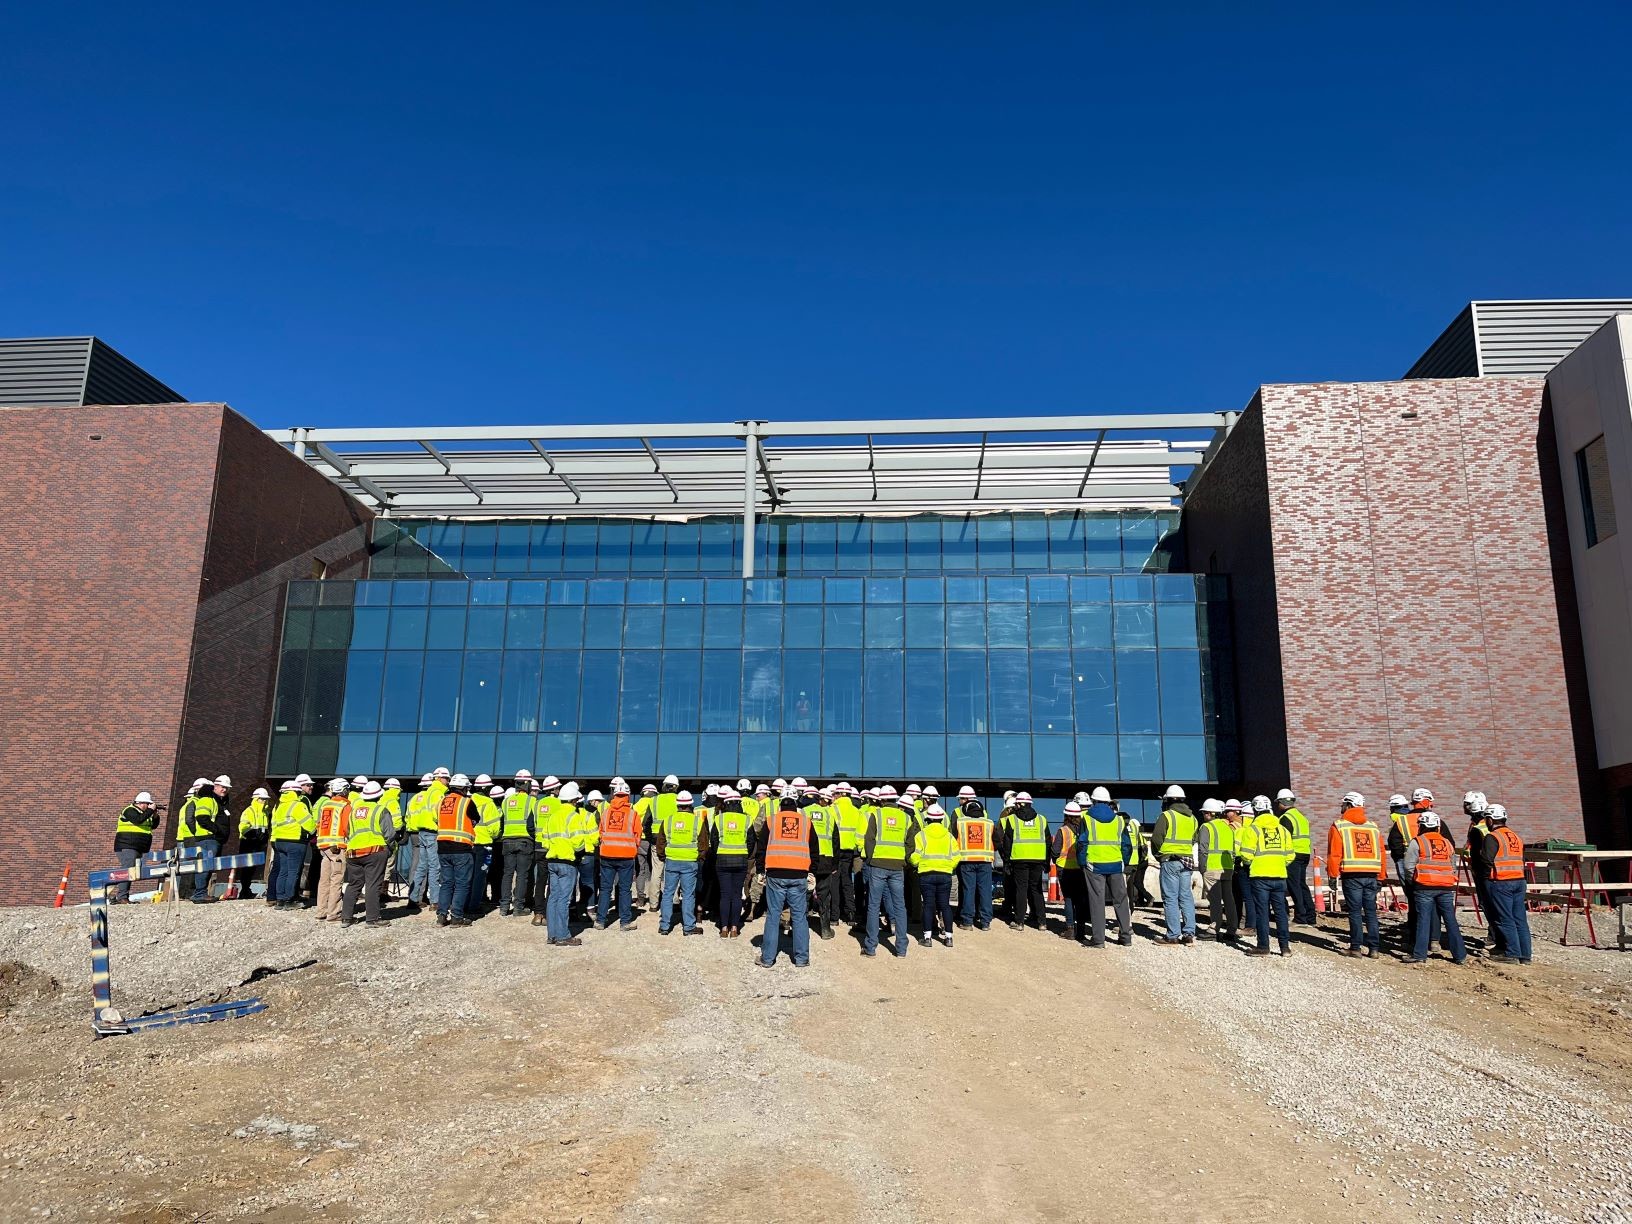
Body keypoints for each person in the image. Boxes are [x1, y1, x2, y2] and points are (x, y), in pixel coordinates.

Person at [755, 795, 819, 968]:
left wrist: (760, 870)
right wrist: (812, 872)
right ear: (796, 808)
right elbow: (814, 848)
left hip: (775, 874)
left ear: (780, 808)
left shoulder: (771, 821)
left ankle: (767, 959)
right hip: (799, 874)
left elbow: (761, 847)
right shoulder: (806, 822)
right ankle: (801, 958)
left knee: (773, 916)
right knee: (799, 917)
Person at [1403, 811, 1466, 965]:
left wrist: (1414, 881)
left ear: (1421, 826)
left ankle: (1419, 955)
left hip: (1424, 887)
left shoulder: (1417, 841)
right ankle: (1460, 955)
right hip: (1445, 887)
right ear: (1437, 827)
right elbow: (1452, 866)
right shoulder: (1447, 843)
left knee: (1423, 920)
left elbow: (1408, 866)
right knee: (1451, 920)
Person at [1327, 791, 1385, 957]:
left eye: (1343, 804)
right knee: (1371, 912)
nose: (1341, 807)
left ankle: (1356, 948)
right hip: (1372, 875)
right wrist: (1381, 876)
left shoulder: (1339, 826)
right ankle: (1374, 949)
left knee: (1354, 912)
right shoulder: (1373, 827)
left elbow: (1334, 854)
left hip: (1352, 876)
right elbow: (1381, 852)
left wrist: (1332, 876)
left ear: (1349, 805)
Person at [1080, 787, 1133, 948]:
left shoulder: (1087, 819)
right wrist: (1123, 861)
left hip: (1094, 865)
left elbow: (1082, 843)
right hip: (1116, 865)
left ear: (1093, 801)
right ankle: (1126, 937)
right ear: (1109, 802)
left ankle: (1098, 940)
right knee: (1121, 901)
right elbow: (1126, 845)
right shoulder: (1119, 820)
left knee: (1097, 901)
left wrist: (1082, 862)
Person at [1240, 799, 1293, 957]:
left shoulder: (1253, 830)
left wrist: (1251, 863)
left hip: (1260, 877)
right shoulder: (1282, 830)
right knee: (1280, 913)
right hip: (1279, 876)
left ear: (1255, 811)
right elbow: (1290, 855)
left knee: (1262, 912)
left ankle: (1263, 947)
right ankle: (1285, 948)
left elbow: (1246, 855)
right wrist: (1278, 864)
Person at [338, 780, 395, 927]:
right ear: (379, 796)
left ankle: (346, 918)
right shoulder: (380, 810)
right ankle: (372, 919)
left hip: (353, 852)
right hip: (375, 851)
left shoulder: (354, 811)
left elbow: (348, 831)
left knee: (354, 884)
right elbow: (389, 834)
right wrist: (390, 848)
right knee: (373, 884)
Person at [1481, 804, 1532, 966]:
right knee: (1520, 920)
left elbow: (1486, 860)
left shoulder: (1492, 837)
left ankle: (1512, 954)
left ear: (1490, 819)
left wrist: (1485, 879)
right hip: (1519, 880)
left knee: (1505, 919)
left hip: (1502, 882)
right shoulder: (1515, 836)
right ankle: (1525, 956)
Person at [862, 792, 911, 958]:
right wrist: (904, 858)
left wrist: (870, 859)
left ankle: (870, 947)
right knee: (899, 906)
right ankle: (901, 948)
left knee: (874, 905)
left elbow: (869, 839)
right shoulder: (905, 817)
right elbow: (910, 842)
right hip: (897, 866)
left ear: (881, 800)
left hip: (878, 865)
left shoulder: (876, 814)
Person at [536, 781, 585, 946]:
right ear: (574, 801)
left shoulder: (552, 817)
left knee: (553, 898)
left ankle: (552, 935)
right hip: (567, 863)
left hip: (552, 861)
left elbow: (544, 841)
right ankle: (563, 936)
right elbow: (578, 843)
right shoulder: (574, 816)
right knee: (564, 899)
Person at [656, 788, 707, 936]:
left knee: (667, 894)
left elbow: (661, 841)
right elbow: (703, 844)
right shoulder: (697, 821)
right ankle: (689, 927)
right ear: (691, 805)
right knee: (688, 895)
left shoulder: (668, 820)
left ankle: (664, 926)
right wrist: (699, 858)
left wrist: (663, 856)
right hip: (690, 862)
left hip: (672, 861)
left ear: (677, 804)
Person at [1151, 784, 1198, 945]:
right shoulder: (1193, 818)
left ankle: (1172, 935)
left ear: (1168, 800)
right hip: (1187, 861)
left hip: (1170, 861)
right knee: (1185, 897)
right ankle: (1189, 934)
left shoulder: (1167, 816)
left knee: (1170, 898)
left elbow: (1157, 839)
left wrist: (1160, 855)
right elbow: (1193, 839)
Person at [595, 780, 641, 931]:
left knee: (605, 888)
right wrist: (632, 848)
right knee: (625, 889)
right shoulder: (633, 814)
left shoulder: (606, 812)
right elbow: (637, 835)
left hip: (607, 854)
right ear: (627, 795)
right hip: (626, 856)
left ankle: (600, 921)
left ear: (614, 794)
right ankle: (625, 922)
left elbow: (601, 832)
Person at [178, 775, 231, 903]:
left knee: (206, 866)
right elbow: (202, 818)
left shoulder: (216, 801)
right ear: (215, 787)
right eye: (222, 787)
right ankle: (199, 893)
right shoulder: (207, 800)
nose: (224, 790)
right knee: (203, 866)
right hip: (207, 838)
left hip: (211, 838)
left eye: (226, 788)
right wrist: (217, 831)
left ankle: (199, 893)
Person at [911, 803, 958, 947]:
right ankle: (949, 938)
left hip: (926, 875)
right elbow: (956, 856)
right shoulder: (949, 836)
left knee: (928, 905)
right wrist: (948, 867)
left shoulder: (921, 835)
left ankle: (927, 938)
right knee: (945, 905)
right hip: (945, 874)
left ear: (928, 819)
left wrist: (915, 863)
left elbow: (915, 857)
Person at [999, 792, 1048, 931]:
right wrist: (1046, 861)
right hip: (1038, 859)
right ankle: (1042, 922)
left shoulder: (1012, 819)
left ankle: (1019, 922)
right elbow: (1048, 841)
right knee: (1036, 889)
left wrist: (1007, 862)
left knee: (1021, 889)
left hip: (1019, 859)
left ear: (1019, 804)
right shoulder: (1041, 819)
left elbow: (1007, 843)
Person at [1462, 790, 1502, 956]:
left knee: (1492, 905)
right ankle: (1494, 936)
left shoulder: (1483, 824)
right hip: (1482, 870)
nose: (1465, 808)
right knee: (1487, 904)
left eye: (1468, 805)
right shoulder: (1476, 823)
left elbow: (1483, 850)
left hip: (1488, 872)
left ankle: (1497, 938)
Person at [435, 774, 478, 928]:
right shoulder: (467, 802)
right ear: (464, 788)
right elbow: (476, 819)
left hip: (443, 847)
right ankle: (456, 917)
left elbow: (436, 819)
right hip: (461, 848)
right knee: (461, 884)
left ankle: (441, 916)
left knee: (446, 883)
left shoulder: (441, 802)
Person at [711, 786, 754, 937]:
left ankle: (724, 928)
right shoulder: (747, 819)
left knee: (724, 894)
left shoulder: (719, 818)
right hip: (741, 860)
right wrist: (744, 852)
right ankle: (734, 928)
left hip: (722, 860)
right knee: (736, 895)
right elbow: (751, 841)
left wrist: (720, 852)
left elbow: (714, 841)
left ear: (726, 803)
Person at [268, 778, 317, 907]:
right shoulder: (298, 805)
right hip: (295, 842)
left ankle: (280, 900)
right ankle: (289, 900)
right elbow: (310, 826)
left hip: (279, 842)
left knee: (283, 871)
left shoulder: (279, 806)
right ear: (296, 792)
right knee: (293, 872)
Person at [953, 786, 995, 931]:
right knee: (985, 891)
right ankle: (985, 922)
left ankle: (967, 922)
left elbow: (953, 838)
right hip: (985, 861)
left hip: (966, 861)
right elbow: (995, 839)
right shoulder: (988, 822)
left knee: (968, 890)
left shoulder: (960, 822)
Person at [1197, 798, 1238, 944]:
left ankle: (1214, 929)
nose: (1203, 816)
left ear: (1209, 813)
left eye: (1204, 813)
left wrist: (1202, 868)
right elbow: (1233, 849)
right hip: (1227, 868)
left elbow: (1203, 849)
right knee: (1229, 900)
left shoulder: (1206, 827)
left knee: (1214, 901)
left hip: (1212, 868)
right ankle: (1232, 929)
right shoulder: (1228, 827)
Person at [404, 771, 445, 914]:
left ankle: (413, 898)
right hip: (432, 832)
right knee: (434, 867)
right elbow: (438, 815)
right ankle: (435, 901)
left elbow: (407, 817)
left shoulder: (415, 798)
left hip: (418, 832)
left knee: (420, 866)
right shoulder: (437, 795)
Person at [1051, 802, 1090, 945]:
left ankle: (1070, 929)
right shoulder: (1084, 829)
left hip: (1065, 869)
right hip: (1080, 868)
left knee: (1068, 898)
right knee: (1080, 900)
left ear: (1066, 815)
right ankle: (1081, 931)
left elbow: (1055, 850)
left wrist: (1056, 860)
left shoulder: (1063, 830)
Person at [313, 778, 352, 922]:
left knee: (324, 880)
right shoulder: (344, 805)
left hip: (324, 846)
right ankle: (334, 913)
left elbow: (319, 824)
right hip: (337, 847)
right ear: (344, 790)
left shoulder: (326, 804)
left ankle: (321, 911)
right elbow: (347, 827)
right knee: (336, 879)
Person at [112, 791, 162, 903]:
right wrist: (150, 810)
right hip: (127, 846)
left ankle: (121, 895)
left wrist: (155, 815)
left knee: (133, 871)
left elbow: (153, 826)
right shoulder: (130, 810)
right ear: (141, 803)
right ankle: (122, 897)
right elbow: (138, 820)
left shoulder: (145, 814)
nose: (148, 807)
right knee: (128, 869)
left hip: (139, 847)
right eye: (147, 804)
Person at [1275, 789, 1316, 925]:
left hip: (1293, 855)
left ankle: (1301, 916)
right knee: (1302, 884)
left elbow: (1284, 839)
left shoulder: (1285, 818)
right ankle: (1310, 915)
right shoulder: (1300, 816)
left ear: (1282, 802)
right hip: (1305, 854)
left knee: (1294, 886)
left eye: (1278, 803)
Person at [498, 772, 535, 916]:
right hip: (524, 841)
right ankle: (518, 907)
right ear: (528, 785)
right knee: (522, 875)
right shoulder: (532, 801)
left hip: (507, 841)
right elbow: (533, 823)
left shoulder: (506, 801)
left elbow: (502, 821)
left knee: (507, 874)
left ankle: (504, 907)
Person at [529, 776, 564, 926]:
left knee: (540, 881)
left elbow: (530, 825)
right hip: (553, 847)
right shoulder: (560, 804)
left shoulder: (537, 804)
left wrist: (537, 838)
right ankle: (549, 914)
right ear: (555, 790)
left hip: (539, 846)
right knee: (553, 881)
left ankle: (538, 914)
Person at [809, 786, 841, 940]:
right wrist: (835, 865)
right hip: (826, 860)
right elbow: (836, 841)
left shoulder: (804, 812)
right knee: (824, 895)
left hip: (807, 859)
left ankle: (797, 929)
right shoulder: (829, 815)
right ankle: (825, 930)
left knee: (802, 893)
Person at [832, 781, 866, 924]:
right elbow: (861, 833)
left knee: (834, 881)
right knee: (846, 881)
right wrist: (856, 845)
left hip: (835, 850)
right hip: (850, 851)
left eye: (835, 793)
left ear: (840, 794)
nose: (833, 796)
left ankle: (834, 917)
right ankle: (851, 914)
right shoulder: (857, 812)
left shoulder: (832, 809)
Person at [570, 789, 601, 924]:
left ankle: (571, 910)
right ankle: (590, 911)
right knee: (589, 882)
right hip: (587, 854)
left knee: (571, 883)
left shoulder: (569, 815)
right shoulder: (589, 816)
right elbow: (595, 838)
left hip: (572, 853)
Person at [236, 786, 271, 899]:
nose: (264, 801)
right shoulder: (249, 811)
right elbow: (243, 828)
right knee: (247, 868)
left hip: (257, 843)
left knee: (253, 868)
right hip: (248, 843)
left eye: (265, 799)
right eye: (262, 799)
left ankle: (247, 890)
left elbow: (264, 827)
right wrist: (254, 834)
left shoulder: (265, 813)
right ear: (256, 799)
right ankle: (245, 890)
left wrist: (264, 836)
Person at [1226, 799, 1251, 930]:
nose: (1226, 814)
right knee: (1242, 894)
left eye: (1228, 811)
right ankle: (1242, 920)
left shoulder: (1233, 826)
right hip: (1241, 863)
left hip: (1237, 864)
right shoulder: (1245, 825)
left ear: (1236, 811)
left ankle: (1240, 920)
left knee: (1239, 894)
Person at [1123, 805, 1152, 908]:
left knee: (1136, 882)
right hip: (1139, 860)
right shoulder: (1138, 833)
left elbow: (1142, 849)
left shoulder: (1130, 830)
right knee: (1137, 882)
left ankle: (1148, 898)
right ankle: (1140, 901)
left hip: (1138, 861)